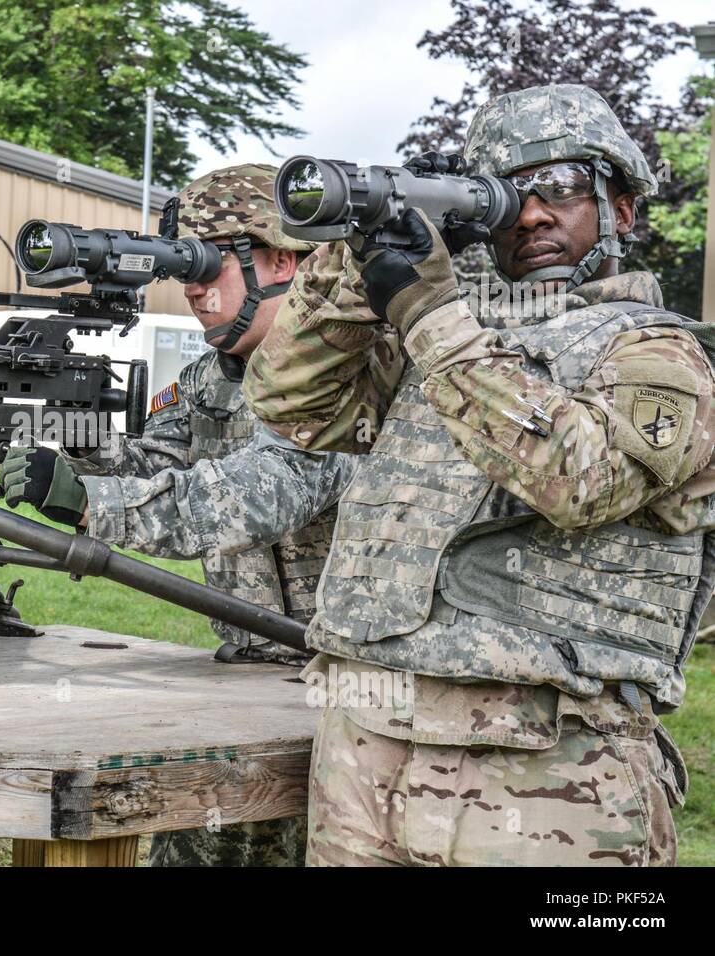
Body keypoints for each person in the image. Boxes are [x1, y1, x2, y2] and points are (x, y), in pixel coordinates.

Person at [243, 84, 709, 866]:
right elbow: (291, 403)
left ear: (621, 208)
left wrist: (432, 317)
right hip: (367, 744)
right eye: (509, 198)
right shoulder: (445, 345)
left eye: (560, 189)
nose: (531, 215)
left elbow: (581, 481)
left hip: (545, 772)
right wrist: (357, 271)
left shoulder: (664, 355)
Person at [3, 165, 356, 866]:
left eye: (211, 263)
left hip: (343, 693)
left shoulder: (345, 368)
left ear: (283, 260)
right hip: (244, 681)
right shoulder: (210, 375)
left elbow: (256, 493)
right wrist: (56, 428)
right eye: (182, 266)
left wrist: (84, 502)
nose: (193, 287)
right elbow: (148, 457)